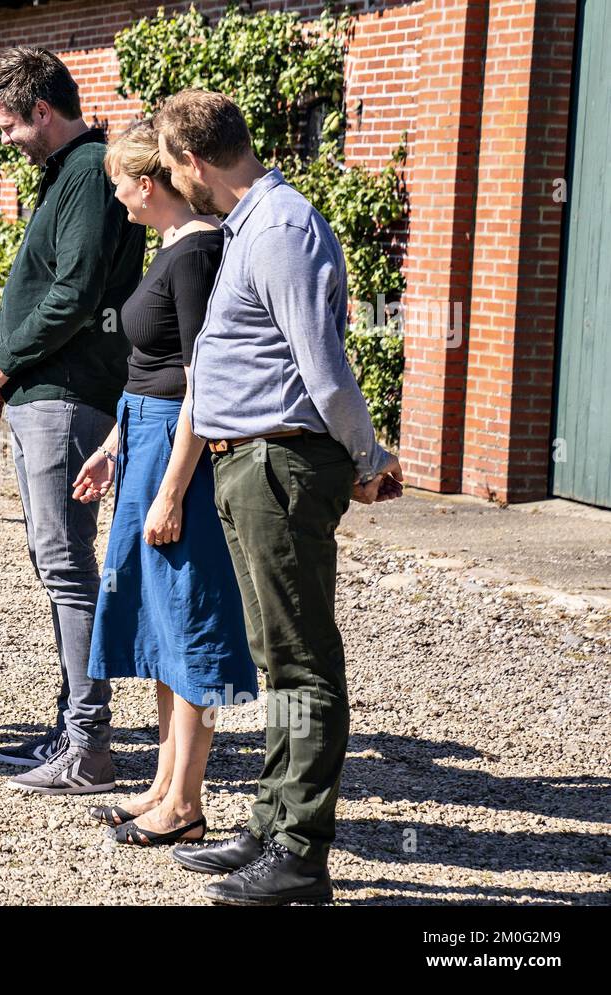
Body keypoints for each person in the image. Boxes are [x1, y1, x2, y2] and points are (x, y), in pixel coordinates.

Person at [154, 91, 404, 904]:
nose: (166, 178)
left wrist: (368, 456)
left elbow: (323, 368)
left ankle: (299, 854)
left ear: (194, 161)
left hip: (280, 465)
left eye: (167, 163)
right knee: (276, 659)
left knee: (300, 664)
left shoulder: (284, 227)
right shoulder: (252, 223)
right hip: (250, 464)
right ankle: (269, 825)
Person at [72, 120, 257, 846]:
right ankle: (161, 783)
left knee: (187, 622)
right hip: (145, 439)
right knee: (155, 623)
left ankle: (186, 802)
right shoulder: (175, 248)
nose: (116, 201)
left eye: (119, 187)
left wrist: (173, 489)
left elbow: (199, 383)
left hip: (180, 450)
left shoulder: (199, 253)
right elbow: (151, 373)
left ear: (146, 186)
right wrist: (116, 447)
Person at [0, 47, 145, 794]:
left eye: (10, 125)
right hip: (55, 392)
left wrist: (7, 358)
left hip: (66, 392)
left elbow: (74, 292)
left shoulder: (88, 171)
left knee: (66, 566)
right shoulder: (72, 174)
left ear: (43, 111)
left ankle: (88, 744)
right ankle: (70, 723)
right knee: (57, 564)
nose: (6, 140)